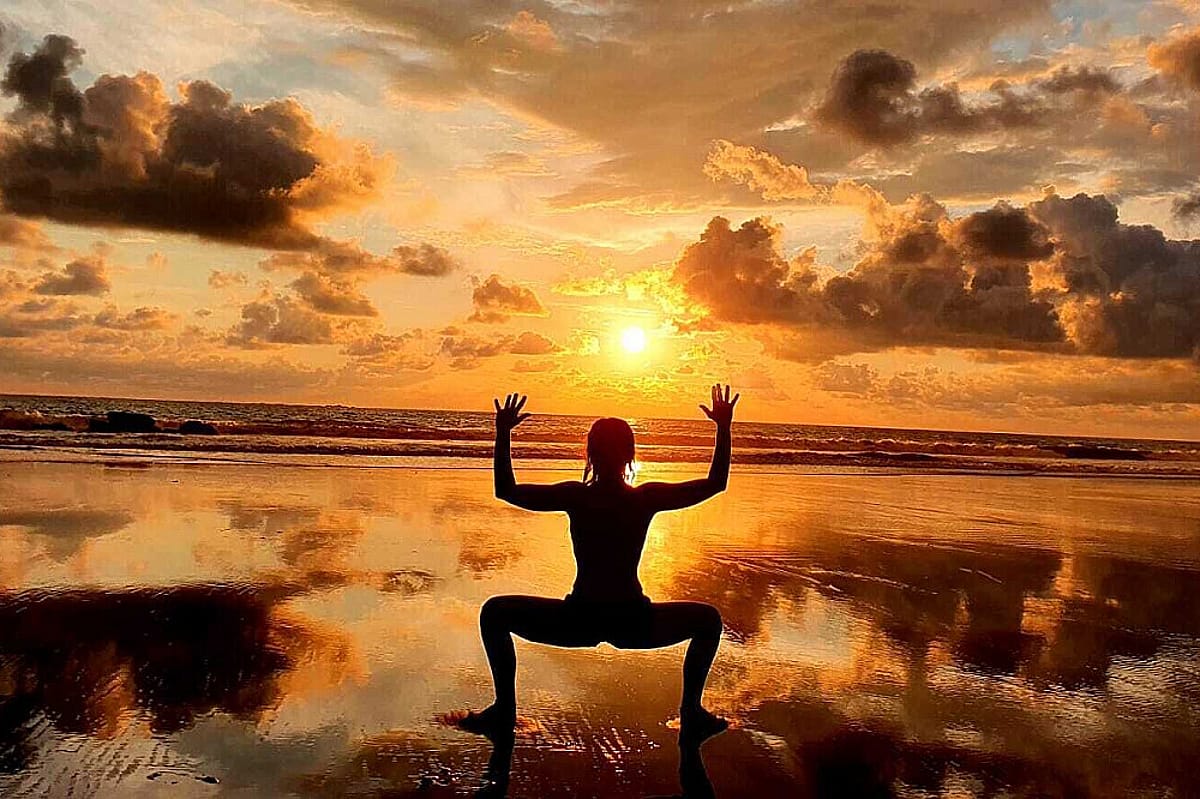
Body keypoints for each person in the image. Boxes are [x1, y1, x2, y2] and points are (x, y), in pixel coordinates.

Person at [460, 384, 739, 743]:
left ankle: (505, 709)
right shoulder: (644, 498)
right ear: (630, 454)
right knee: (708, 621)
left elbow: (506, 490)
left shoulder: (576, 496)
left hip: (579, 619)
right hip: (633, 620)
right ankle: (691, 711)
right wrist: (723, 427)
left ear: (590, 452)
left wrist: (502, 435)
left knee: (494, 613)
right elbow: (715, 483)